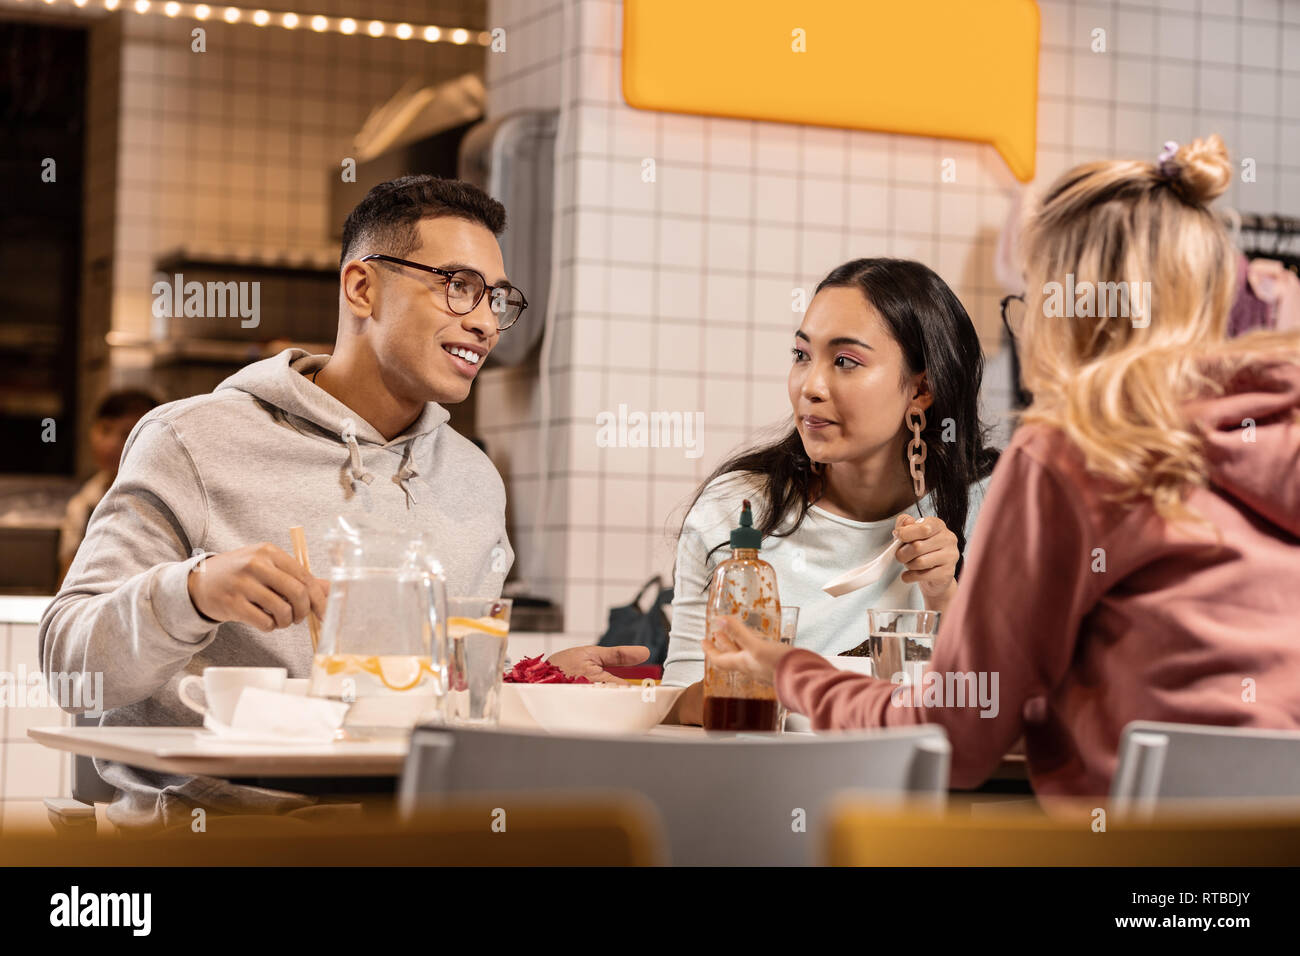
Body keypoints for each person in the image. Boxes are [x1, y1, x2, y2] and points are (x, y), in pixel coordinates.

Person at [41, 175, 644, 829]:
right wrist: (190, 593)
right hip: (212, 839)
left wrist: (534, 679)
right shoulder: (191, 439)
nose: (485, 321)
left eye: (497, 299)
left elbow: (427, 696)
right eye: (459, 286)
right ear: (362, 287)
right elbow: (72, 671)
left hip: (403, 837)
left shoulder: (476, 479)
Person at [706, 136, 1300, 797]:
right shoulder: (1279, 433)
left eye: (1031, 299)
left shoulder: (1071, 450)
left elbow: (953, 737)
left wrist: (791, 670)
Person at [663, 258, 999, 724]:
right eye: (802, 355)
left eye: (845, 361)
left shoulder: (995, 507)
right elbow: (675, 704)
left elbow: (995, 710)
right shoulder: (735, 510)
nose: (811, 386)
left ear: (922, 389)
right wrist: (755, 677)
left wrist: (943, 595)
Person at [58, 389, 160, 583]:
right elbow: (66, 579)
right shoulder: (84, 502)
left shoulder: (165, 497)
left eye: (126, 434)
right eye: (105, 429)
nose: (111, 444)